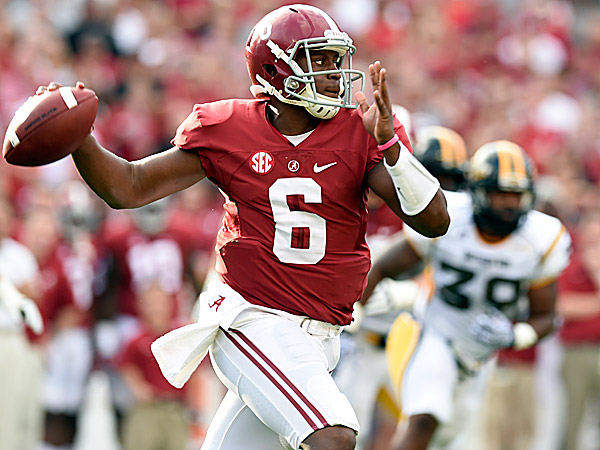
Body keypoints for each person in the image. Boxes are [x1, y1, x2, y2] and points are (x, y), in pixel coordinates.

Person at [38, 4, 449, 450]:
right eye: (319, 60)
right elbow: (130, 186)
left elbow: (434, 221)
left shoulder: (360, 131)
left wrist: (391, 147)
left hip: (321, 335)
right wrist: (79, 138)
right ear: (276, 70)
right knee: (333, 437)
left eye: (335, 60)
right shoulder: (230, 129)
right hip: (252, 319)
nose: (335, 74)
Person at [363, 140, 571, 450]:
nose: (509, 204)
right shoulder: (449, 215)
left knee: (448, 439)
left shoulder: (541, 238)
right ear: (478, 191)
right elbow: (383, 267)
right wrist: (352, 313)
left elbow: (546, 316)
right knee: (424, 419)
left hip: (480, 356)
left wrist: (514, 336)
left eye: (516, 195)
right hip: (434, 333)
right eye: (500, 194)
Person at [333, 124, 468, 450]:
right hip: (360, 338)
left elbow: (446, 270)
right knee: (345, 429)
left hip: (407, 339)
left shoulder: (447, 218)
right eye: (433, 174)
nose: (440, 187)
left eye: (449, 179)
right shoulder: (379, 203)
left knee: (409, 430)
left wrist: (413, 291)